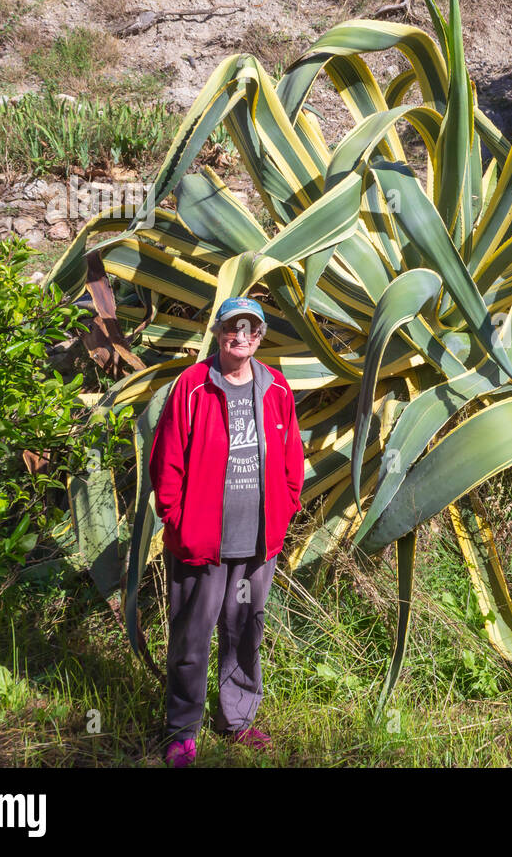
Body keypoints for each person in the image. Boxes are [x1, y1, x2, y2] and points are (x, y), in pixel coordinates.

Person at [147, 296, 305, 767]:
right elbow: (166, 460)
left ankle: (236, 721)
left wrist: (286, 506)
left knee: (244, 632)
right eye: (231, 329)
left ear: (259, 337)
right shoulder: (193, 386)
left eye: (250, 330)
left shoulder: (275, 387)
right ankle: (182, 730)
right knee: (192, 637)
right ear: (218, 333)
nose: (240, 337)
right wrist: (177, 518)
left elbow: (291, 455)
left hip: (257, 542)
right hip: (202, 539)